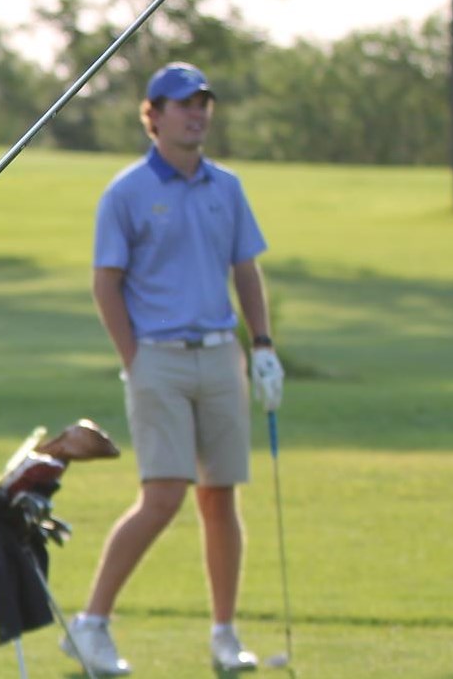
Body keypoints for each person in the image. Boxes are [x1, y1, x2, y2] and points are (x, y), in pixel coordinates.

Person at [61, 62, 285, 675]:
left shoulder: (226, 187)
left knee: (220, 499)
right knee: (163, 496)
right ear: (153, 115)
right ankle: (91, 625)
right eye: (184, 104)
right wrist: (134, 361)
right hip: (156, 357)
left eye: (204, 103)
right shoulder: (126, 192)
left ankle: (223, 634)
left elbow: (245, 269)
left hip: (220, 356)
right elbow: (106, 285)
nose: (197, 113)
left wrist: (262, 345)